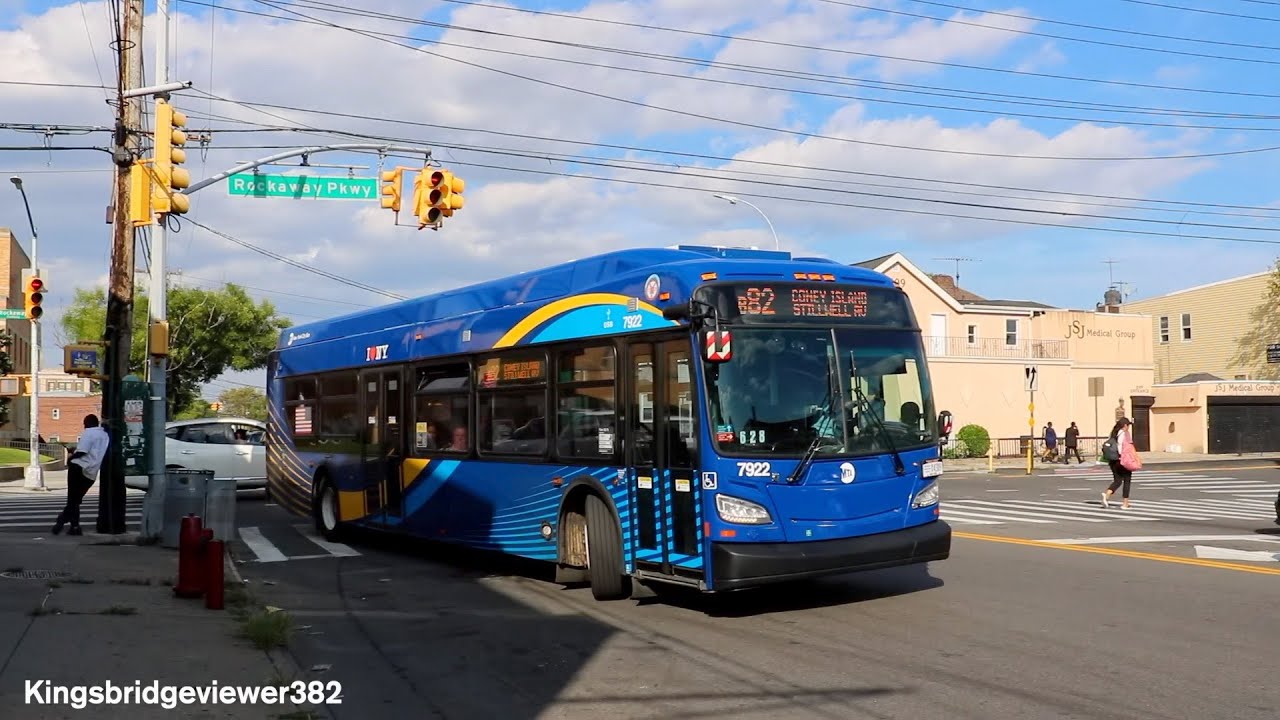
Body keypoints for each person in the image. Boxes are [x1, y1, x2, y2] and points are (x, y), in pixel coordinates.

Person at [52, 414, 110, 536]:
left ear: (87, 423)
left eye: (85, 424)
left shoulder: (89, 433)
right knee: (76, 499)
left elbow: (83, 451)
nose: (84, 426)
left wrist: (71, 458)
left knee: (72, 499)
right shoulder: (104, 435)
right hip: (91, 472)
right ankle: (74, 527)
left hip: (78, 468)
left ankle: (63, 520)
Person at [1102, 417, 1135, 510]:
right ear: (1125, 425)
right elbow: (1121, 445)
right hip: (1121, 459)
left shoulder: (1113, 433)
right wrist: (1122, 456)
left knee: (1118, 480)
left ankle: (1107, 494)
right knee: (1127, 480)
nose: (1128, 427)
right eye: (1128, 425)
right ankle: (1125, 503)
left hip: (1112, 460)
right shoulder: (1123, 434)